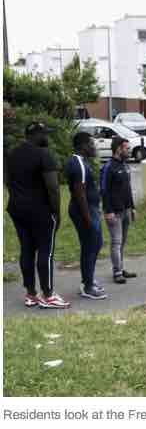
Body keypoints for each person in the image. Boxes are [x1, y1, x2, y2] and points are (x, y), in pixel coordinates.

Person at [5, 122, 69, 309]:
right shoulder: (44, 155)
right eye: (44, 134)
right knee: (45, 251)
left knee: (26, 249)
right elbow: (53, 188)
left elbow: (7, 181)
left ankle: (31, 294)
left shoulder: (12, 154)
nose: (47, 137)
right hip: (40, 211)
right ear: (36, 135)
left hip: (17, 209)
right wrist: (56, 212)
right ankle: (48, 295)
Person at [65, 132, 106, 300]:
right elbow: (79, 193)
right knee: (91, 246)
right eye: (91, 144)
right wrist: (88, 218)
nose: (94, 147)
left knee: (94, 245)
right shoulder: (79, 164)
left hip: (90, 210)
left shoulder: (81, 162)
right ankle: (87, 287)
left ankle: (87, 280)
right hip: (84, 211)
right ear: (83, 146)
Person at [101, 137, 137, 284]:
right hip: (114, 212)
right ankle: (117, 272)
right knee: (116, 242)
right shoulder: (108, 167)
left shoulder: (125, 165)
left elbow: (128, 190)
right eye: (126, 148)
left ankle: (121, 269)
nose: (129, 151)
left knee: (122, 242)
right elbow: (104, 190)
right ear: (118, 149)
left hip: (125, 210)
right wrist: (108, 211)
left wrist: (132, 207)